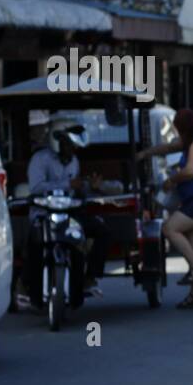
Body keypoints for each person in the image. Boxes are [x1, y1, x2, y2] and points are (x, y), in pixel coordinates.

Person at [137, 108, 193, 309]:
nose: (177, 133)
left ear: (185, 128)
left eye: (178, 129)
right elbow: (168, 148)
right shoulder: (191, 142)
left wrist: (171, 180)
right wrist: (146, 153)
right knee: (192, 246)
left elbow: (191, 171)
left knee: (169, 228)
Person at [24, 120, 111, 306]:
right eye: (68, 144)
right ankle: (30, 291)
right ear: (58, 141)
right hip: (43, 214)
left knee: (99, 231)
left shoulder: (74, 162)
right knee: (34, 244)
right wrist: (67, 185)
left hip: (69, 215)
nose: (72, 149)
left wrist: (90, 187)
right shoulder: (40, 159)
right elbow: (36, 187)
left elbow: (76, 190)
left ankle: (89, 279)